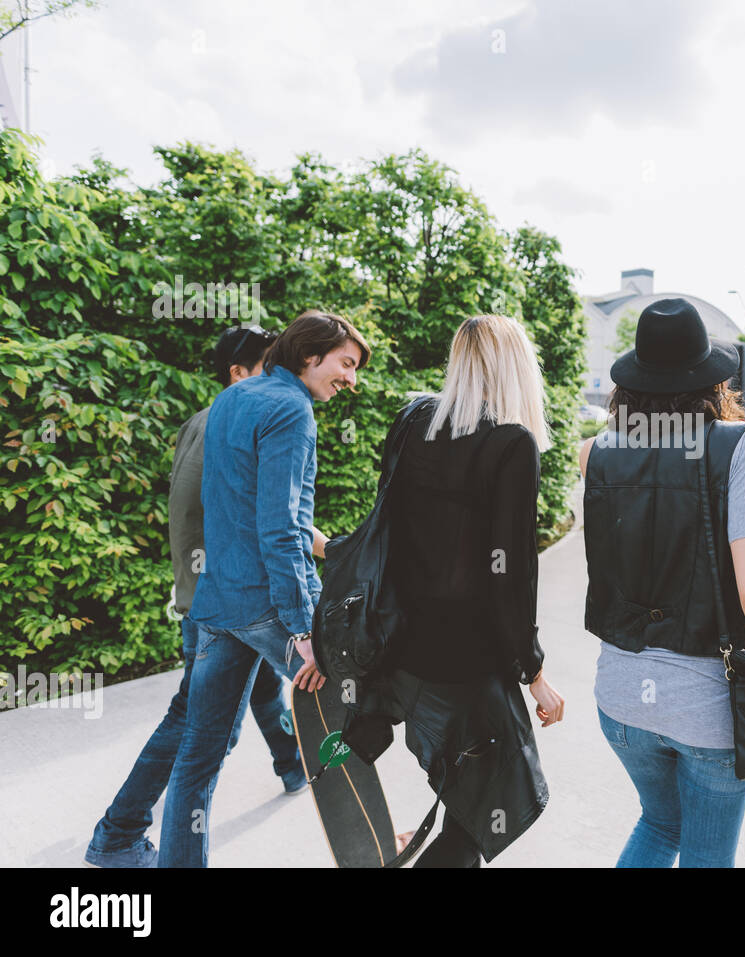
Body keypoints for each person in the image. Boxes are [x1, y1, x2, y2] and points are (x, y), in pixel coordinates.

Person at [580, 298, 745, 868]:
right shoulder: (739, 444)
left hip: (619, 701)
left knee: (660, 823)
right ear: (710, 379)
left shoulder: (595, 452)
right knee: (705, 853)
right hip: (707, 708)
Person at [84, 325, 308, 869]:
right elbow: (261, 520)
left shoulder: (201, 420)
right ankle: (118, 832)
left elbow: (196, 512)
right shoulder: (241, 417)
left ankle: (292, 762)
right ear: (240, 373)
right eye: (270, 364)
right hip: (227, 601)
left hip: (209, 595)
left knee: (259, 692)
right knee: (199, 727)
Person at [157, 310, 369, 868]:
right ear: (309, 356)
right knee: (350, 708)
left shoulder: (232, 399)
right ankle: (370, 842)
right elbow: (281, 528)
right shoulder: (292, 411)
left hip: (215, 603)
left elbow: (230, 509)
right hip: (266, 606)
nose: (353, 379)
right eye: (346, 364)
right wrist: (304, 628)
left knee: (197, 759)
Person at [362, 314, 562, 868]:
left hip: (399, 648)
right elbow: (509, 577)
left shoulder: (412, 420)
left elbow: (385, 530)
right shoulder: (510, 444)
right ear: (518, 368)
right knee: (483, 815)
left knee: (470, 804)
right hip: (466, 663)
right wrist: (535, 673)